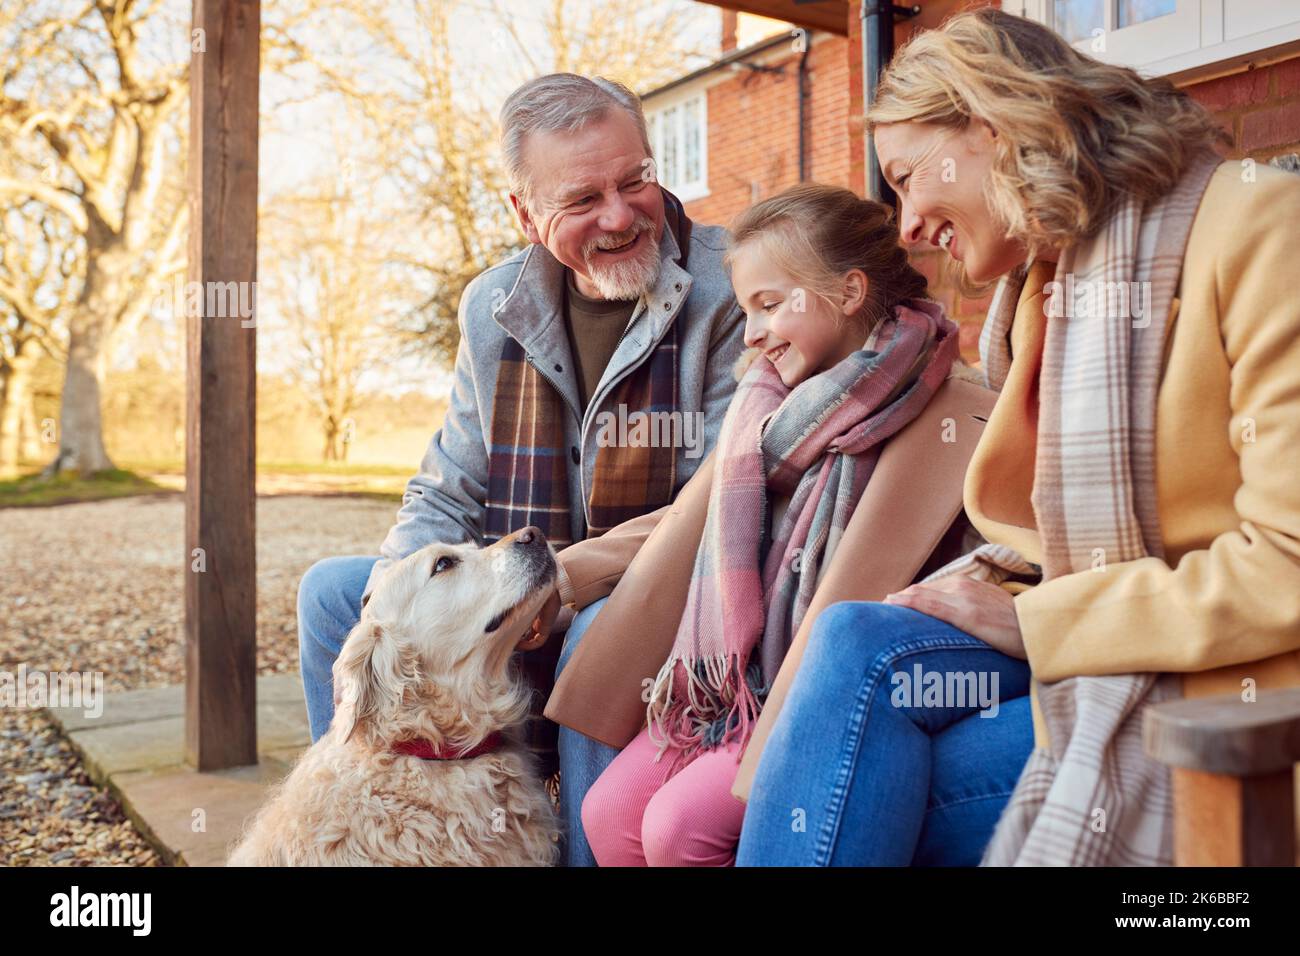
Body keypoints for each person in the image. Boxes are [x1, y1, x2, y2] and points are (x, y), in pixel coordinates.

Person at [736, 8, 1300, 866]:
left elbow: (1288, 562)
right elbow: (1044, 535)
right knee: (855, 640)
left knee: (862, 783)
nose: (907, 223)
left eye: (908, 176)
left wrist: (1041, 620)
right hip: (1102, 639)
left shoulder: (1263, 229)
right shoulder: (1047, 287)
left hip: (1242, 678)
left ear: (992, 125)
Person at [295, 72, 747, 868]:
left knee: (598, 637)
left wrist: (562, 584)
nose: (619, 215)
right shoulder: (492, 304)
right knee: (336, 596)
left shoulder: (731, 287)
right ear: (525, 215)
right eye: (582, 200)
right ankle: (368, 832)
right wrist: (390, 604)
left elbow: (721, 498)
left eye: (634, 180)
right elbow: (449, 485)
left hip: (656, 596)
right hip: (523, 583)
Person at [566, 182, 972, 866]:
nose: (751, 333)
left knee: (677, 829)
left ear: (847, 293)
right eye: (746, 309)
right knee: (606, 812)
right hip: (737, 687)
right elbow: (688, 525)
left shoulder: (946, 409)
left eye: (770, 305)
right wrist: (570, 571)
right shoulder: (766, 410)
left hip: (818, 691)